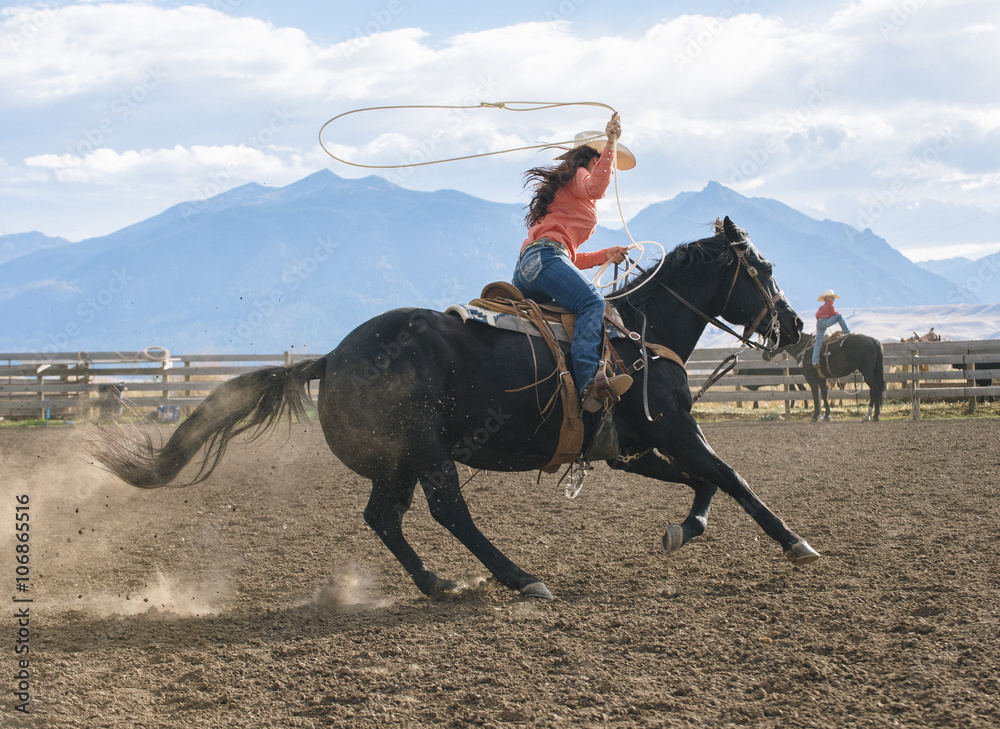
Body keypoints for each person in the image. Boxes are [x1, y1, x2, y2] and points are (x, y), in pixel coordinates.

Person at [512, 113, 636, 412]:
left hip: (529, 266)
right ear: (593, 160)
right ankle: (588, 383)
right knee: (592, 303)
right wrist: (610, 143)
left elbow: (567, 257)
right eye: (605, 164)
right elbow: (597, 187)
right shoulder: (582, 176)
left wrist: (604, 255)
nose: (609, 172)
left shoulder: (566, 191)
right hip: (546, 258)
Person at [812, 289, 851, 365]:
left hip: (819, 323)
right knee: (839, 316)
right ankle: (847, 332)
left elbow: (817, 315)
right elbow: (834, 313)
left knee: (819, 342)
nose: (833, 299)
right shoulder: (829, 304)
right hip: (824, 322)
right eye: (831, 297)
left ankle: (815, 361)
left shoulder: (822, 306)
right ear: (827, 298)